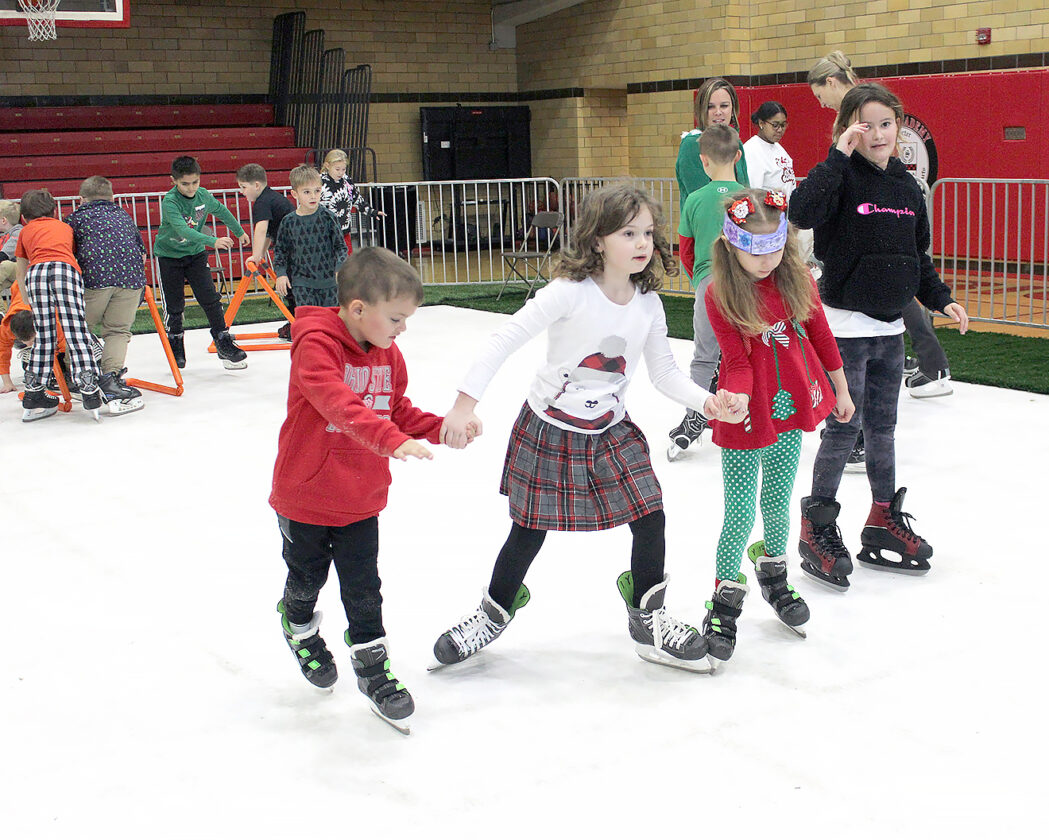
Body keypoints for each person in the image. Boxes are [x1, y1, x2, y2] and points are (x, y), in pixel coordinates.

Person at [435, 183, 743, 675]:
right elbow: (504, 339)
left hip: (610, 429)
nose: (642, 243)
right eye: (628, 232)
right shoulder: (568, 294)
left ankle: (650, 618)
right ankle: (491, 613)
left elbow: (664, 373)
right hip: (550, 427)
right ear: (597, 239)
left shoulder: (648, 305)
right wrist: (462, 405)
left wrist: (708, 403)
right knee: (528, 531)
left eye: (647, 232)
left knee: (651, 514)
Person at [788, 83, 969, 590]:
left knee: (884, 432)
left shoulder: (908, 189)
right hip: (845, 330)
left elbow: (918, 258)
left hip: (890, 331)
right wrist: (837, 155)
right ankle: (816, 528)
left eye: (887, 124)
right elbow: (801, 212)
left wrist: (940, 298)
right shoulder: (838, 177)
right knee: (843, 432)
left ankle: (882, 518)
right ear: (849, 127)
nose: (880, 133)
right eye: (866, 125)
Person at [269, 247, 451, 733]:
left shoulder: (390, 354)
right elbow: (337, 403)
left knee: (364, 589)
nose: (402, 329)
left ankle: (373, 670)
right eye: (396, 317)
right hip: (306, 492)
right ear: (356, 309)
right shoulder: (316, 346)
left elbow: (395, 411)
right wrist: (391, 440)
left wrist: (439, 429)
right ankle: (299, 624)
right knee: (306, 577)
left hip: (360, 497)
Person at [703, 188, 854, 665]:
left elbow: (822, 337)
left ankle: (773, 574)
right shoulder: (719, 292)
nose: (765, 260)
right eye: (754, 250)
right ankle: (724, 600)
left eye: (774, 248)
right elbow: (736, 360)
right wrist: (739, 397)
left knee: (777, 502)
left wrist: (842, 390)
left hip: (791, 406)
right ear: (731, 246)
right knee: (740, 511)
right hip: (746, 414)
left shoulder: (798, 280)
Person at [808, 51, 953, 401]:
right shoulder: (849, 140)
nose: (821, 103)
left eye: (819, 95)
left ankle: (931, 363)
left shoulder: (862, 118)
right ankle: (927, 362)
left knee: (898, 274)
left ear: (831, 83)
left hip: (869, 257)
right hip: (856, 279)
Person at [668, 124, 744, 459]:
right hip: (744, 287)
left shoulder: (695, 200)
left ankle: (694, 418)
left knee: (704, 355)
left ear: (703, 162)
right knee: (744, 354)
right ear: (738, 157)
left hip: (708, 285)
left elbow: (685, 249)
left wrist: (700, 280)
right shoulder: (748, 198)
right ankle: (746, 412)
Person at [13, 190, 104, 422]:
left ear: (24, 216)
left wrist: (25, 297)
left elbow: (21, 266)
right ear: (54, 211)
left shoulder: (25, 231)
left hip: (37, 273)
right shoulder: (64, 227)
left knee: (44, 333)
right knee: (75, 329)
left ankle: (34, 391)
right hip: (65, 270)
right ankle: (89, 388)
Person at [153, 155, 250, 370]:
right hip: (169, 257)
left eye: (195, 182)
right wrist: (213, 240)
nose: (190, 188)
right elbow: (183, 230)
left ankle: (222, 340)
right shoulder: (170, 202)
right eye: (185, 184)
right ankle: (176, 341)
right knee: (174, 303)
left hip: (195, 255)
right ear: (174, 181)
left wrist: (239, 231)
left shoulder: (203, 195)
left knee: (210, 298)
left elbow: (222, 211)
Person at [65, 176, 146, 415]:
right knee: (118, 331)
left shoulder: (75, 219)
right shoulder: (124, 215)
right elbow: (141, 253)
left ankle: (77, 377)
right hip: (131, 280)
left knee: (79, 329)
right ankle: (111, 380)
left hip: (94, 282)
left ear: (81, 199)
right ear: (112, 196)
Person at [273, 164, 347, 309]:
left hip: (330, 283)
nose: (313, 196)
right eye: (306, 192)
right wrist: (281, 274)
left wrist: (340, 267)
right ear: (295, 194)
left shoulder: (328, 217)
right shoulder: (288, 221)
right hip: (302, 284)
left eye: (317, 191)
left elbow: (340, 247)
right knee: (309, 322)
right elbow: (280, 251)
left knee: (329, 322)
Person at [236, 163, 296, 340]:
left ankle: (297, 323)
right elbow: (269, 232)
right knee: (292, 288)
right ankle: (295, 321)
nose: (241, 192)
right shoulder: (270, 197)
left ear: (256, 185)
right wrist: (260, 254)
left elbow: (261, 229)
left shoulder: (262, 202)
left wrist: (255, 255)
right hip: (293, 246)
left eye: (243, 187)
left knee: (291, 287)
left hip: (292, 249)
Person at [675, 78, 749, 212]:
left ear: (733, 109)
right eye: (711, 107)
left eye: (724, 106)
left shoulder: (736, 142)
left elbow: (745, 190)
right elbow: (701, 200)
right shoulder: (692, 144)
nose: (718, 112)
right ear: (701, 109)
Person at [319, 149, 382, 254]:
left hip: (344, 231)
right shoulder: (319, 181)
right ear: (327, 165)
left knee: (347, 263)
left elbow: (356, 198)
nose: (340, 173)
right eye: (337, 169)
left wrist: (371, 211)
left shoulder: (346, 180)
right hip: (325, 233)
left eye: (343, 169)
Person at [743, 102, 796, 198]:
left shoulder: (778, 148)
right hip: (768, 212)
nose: (780, 130)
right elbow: (753, 194)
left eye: (783, 125)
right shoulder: (751, 151)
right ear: (761, 123)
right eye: (775, 125)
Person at [0, 199, 23, 314]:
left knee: (5, 265)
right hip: (5, 272)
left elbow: (3, 255)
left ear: (3, 220)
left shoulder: (18, 232)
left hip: (19, 268)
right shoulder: (2, 235)